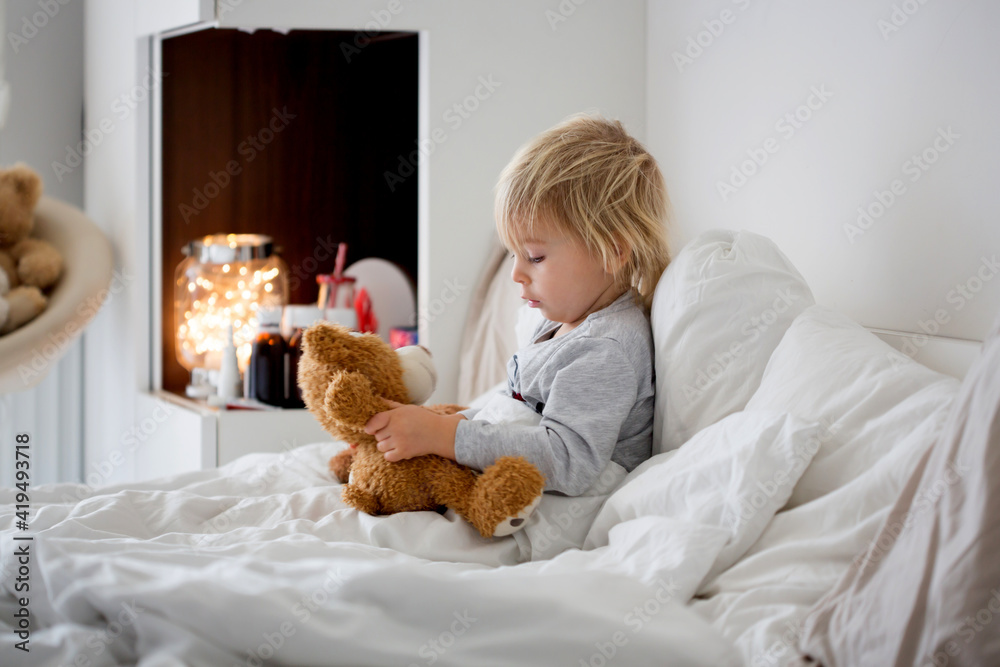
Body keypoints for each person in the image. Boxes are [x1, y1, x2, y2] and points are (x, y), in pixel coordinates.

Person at [364, 113, 672, 497]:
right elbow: (512, 418)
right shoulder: (562, 325)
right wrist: (431, 427)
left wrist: (446, 436)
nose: (516, 275)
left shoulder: (605, 349)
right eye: (513, 254)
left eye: (535, 257)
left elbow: (567, 461)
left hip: (562, 514)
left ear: (611, 251)